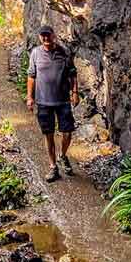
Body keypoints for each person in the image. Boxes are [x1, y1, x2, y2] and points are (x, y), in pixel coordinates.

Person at [26, 24, 79, 182]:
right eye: (43, 35)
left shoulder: (64, 52)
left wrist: (75, 93)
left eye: (48, 35)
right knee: (48, 135)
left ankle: (62, 155)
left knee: (67, 132)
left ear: (53, 35)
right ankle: (53, 167)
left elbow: (72, 74)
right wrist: (30, 97)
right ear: (39, 37)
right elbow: (31, 76)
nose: (45, 38)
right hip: (43, 102)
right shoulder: (35, 53)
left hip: (63, 100)